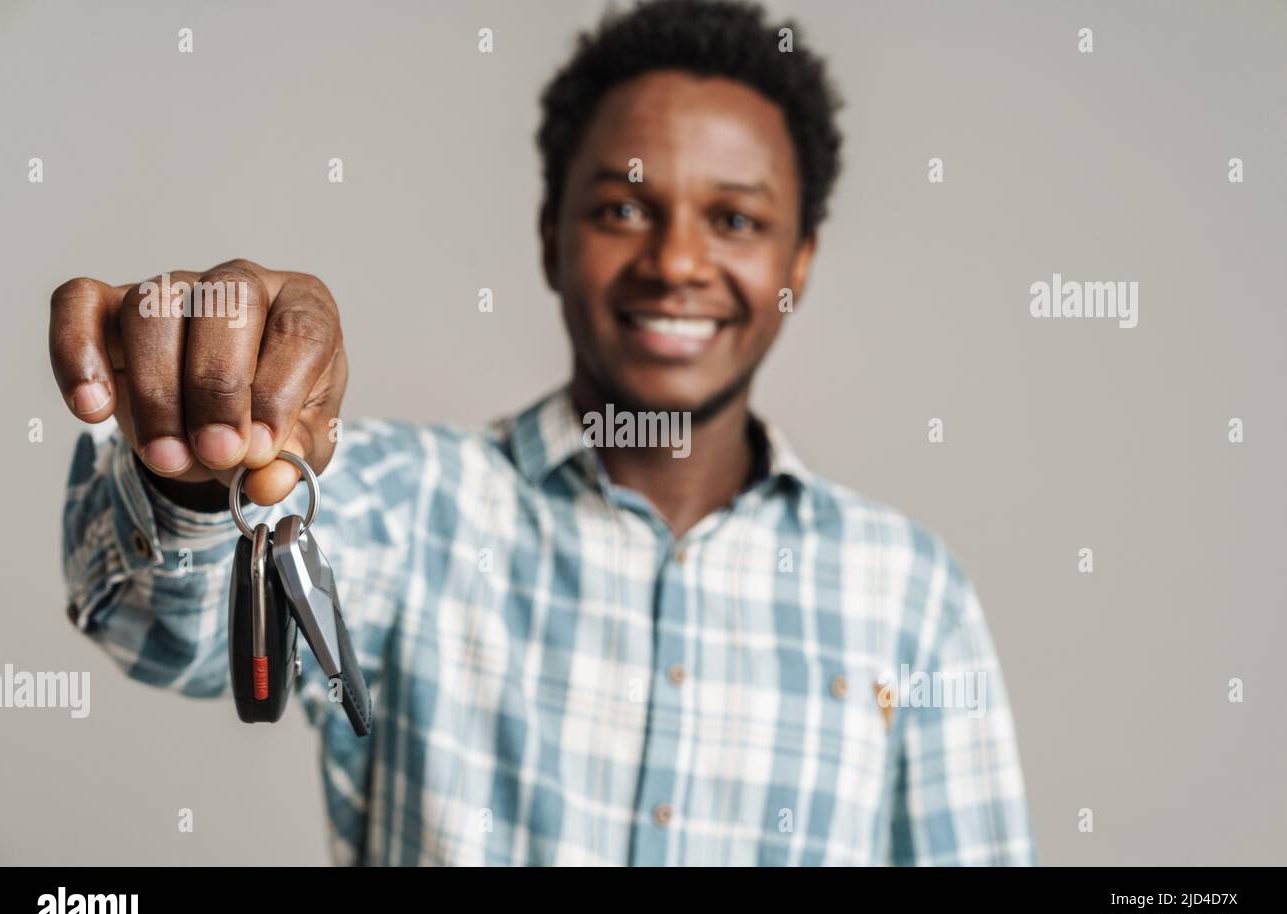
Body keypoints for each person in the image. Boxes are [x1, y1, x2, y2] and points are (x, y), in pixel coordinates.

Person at [51, 0, 1035, 865]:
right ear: (549, 237)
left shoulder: (909, 599)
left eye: (735, 220)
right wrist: (196, 468)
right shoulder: (402, 510)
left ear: (801, 259)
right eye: (622, 207)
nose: (677, 261)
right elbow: (156, 632)